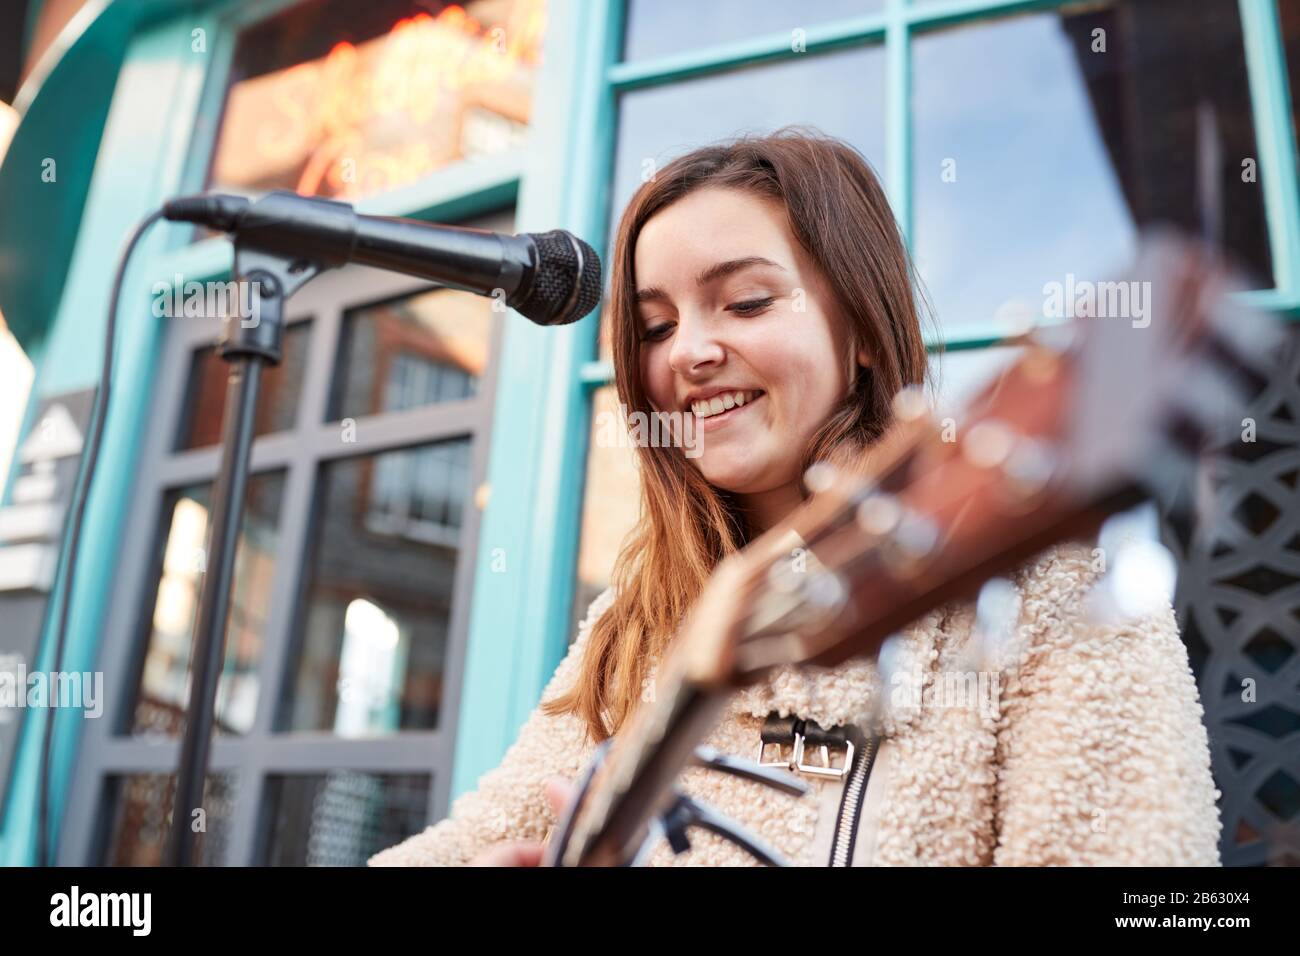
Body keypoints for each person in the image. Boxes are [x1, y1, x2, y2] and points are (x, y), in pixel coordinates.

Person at [368, 129, 1222, 867]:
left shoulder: (1048, 583)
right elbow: (458, 843)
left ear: (858, 327)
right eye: (656, 326)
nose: (690, 352)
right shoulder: (636, 621)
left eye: (744, 302)